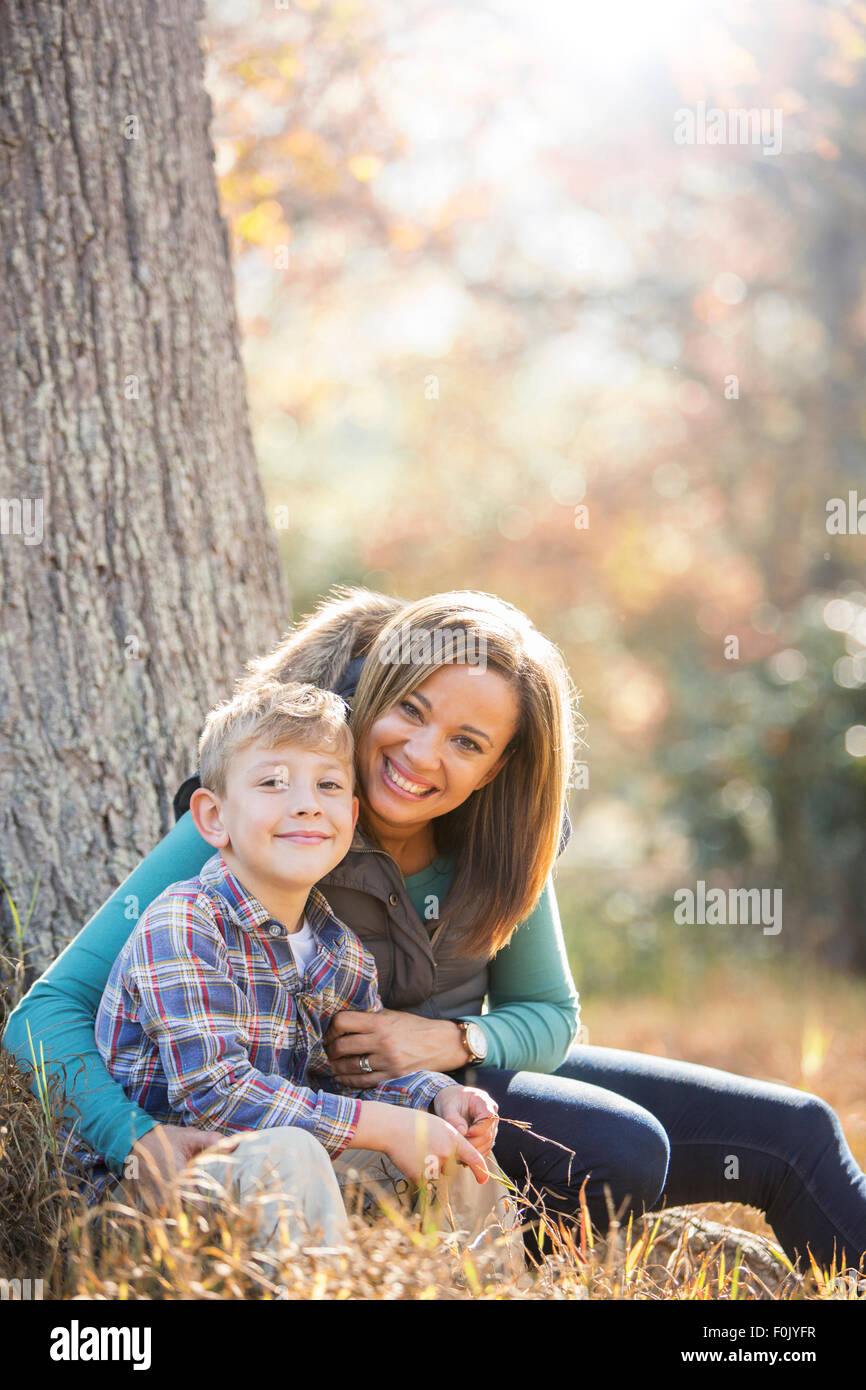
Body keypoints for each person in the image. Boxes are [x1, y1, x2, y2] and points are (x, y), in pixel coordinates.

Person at [5, 585, 866, 1274]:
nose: (422, 755)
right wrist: (134, 1137)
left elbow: (551, 1017)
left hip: (452, 1075)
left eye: (466, 741)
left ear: (498, 767)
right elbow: (49, 1014)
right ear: (373, 692)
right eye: (409, 711)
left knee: (797, 1130)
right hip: (320, 1114)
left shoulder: (497, 840)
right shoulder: (283, 813)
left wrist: (442, 1044)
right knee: (621, 1150)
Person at [65, 677, 517, 1262]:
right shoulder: (185, 922)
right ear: (213, 817)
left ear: (351, 816)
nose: (305, 802)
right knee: (291, 1154)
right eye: (273, 782)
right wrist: (384, 1127)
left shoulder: (340, 951)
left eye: (327, 784)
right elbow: (214, 1093)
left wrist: (435, 1100)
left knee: (449, 1153)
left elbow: (354, 1075)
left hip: (287, 1189)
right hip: (155, 1195)